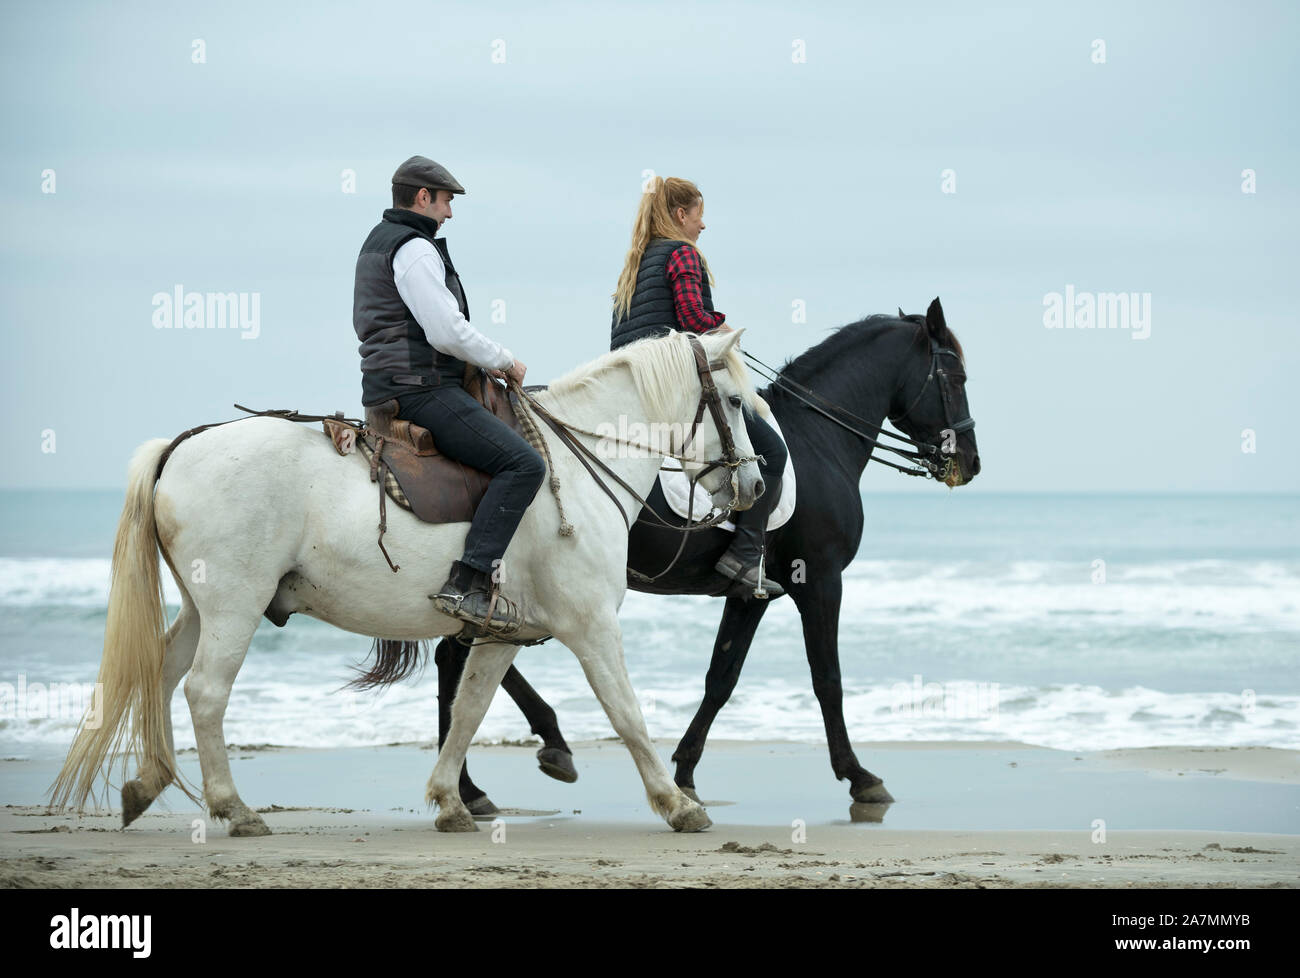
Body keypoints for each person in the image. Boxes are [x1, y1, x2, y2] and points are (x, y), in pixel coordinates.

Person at [353, 155, 545, 635]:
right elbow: (446, 331)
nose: (450, 214)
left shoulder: (375, 245)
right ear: (423, 197)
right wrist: (503, 359)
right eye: (446, 202)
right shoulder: (415, 249)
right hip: (421, 390)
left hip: (387, 386)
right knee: (524, 464)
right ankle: (470, 582)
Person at [610, 176, 786, 598]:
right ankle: (743, 554)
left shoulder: (635, 262)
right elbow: (692, 318)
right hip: (678, 386)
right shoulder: (683, 254)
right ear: (680, 214)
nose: (703, 225)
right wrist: (725, 331)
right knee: (772, 452)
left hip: (634, 388)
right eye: (699, 215)